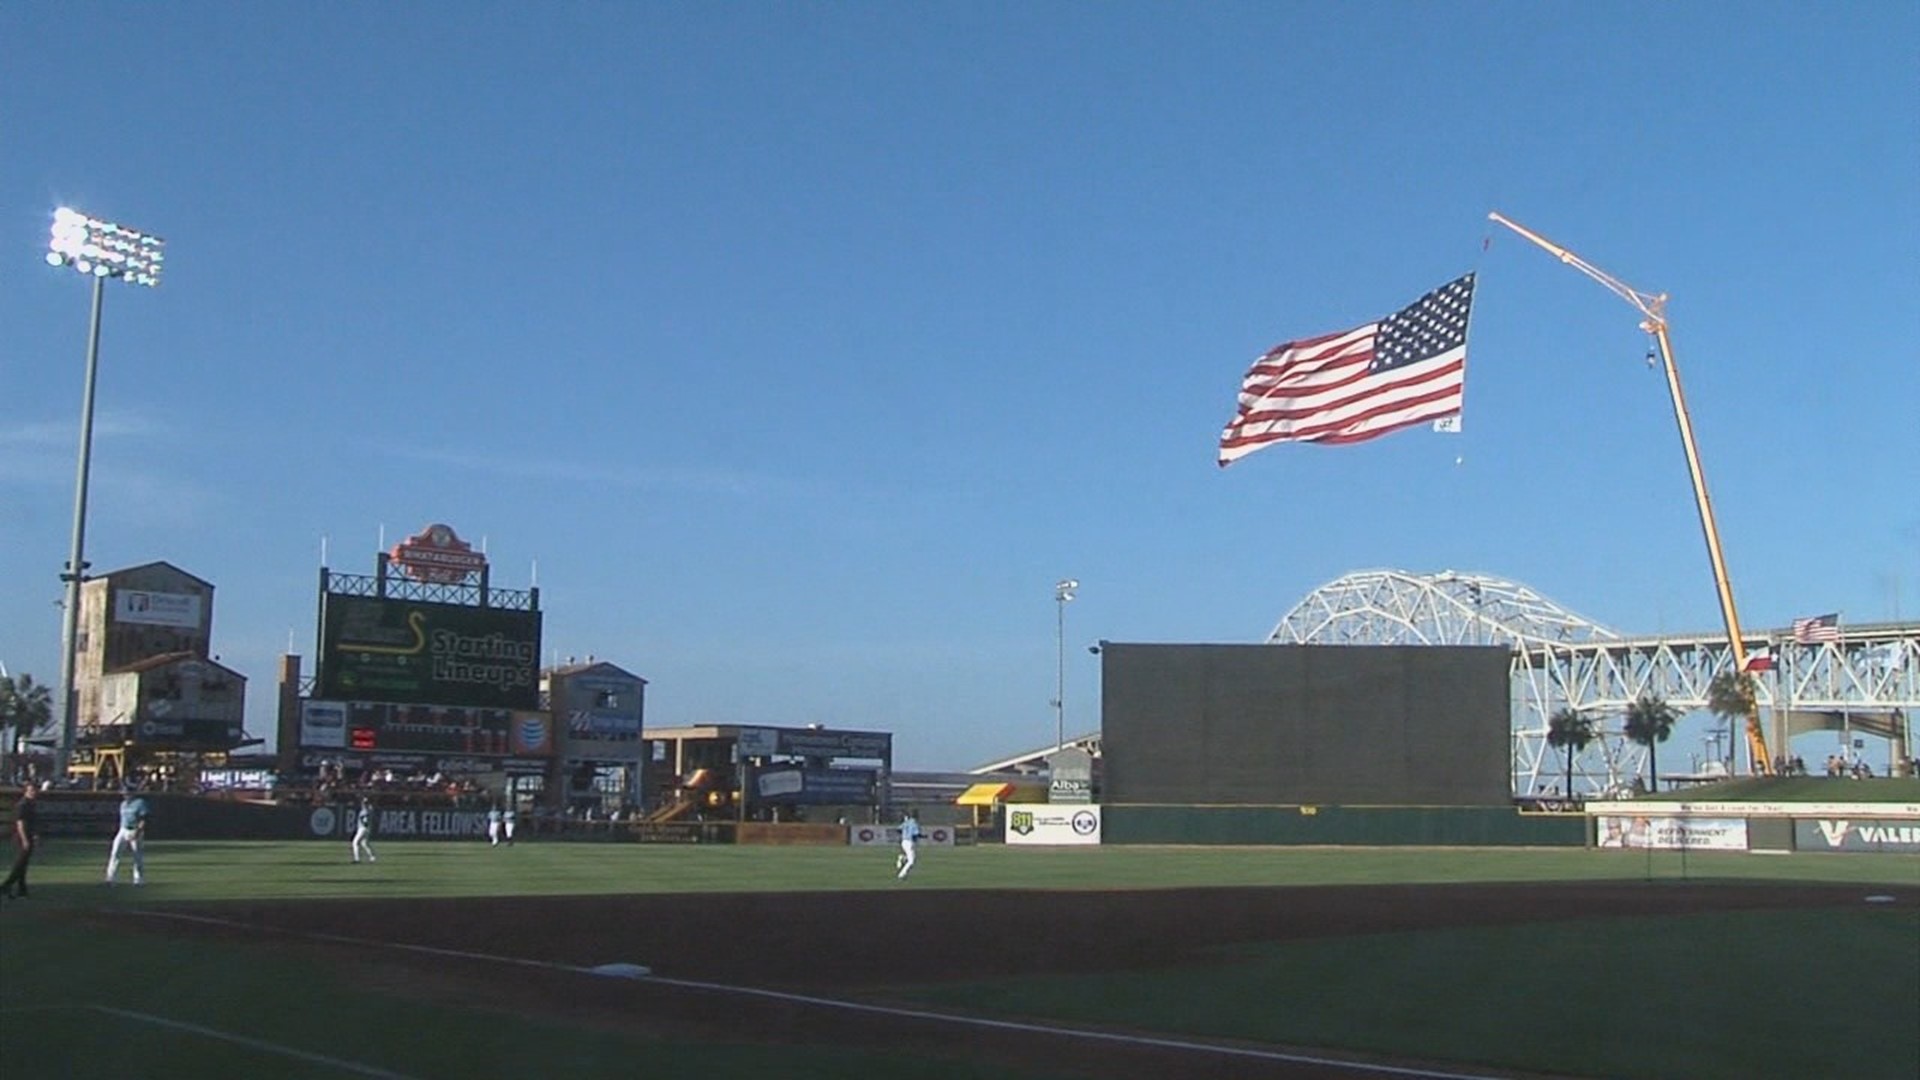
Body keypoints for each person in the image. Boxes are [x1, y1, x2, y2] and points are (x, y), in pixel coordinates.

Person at [1, 781, 41, 901]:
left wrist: (34, 835)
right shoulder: (23, 805)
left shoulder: (31, 804)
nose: (34, 792)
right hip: (21, 837)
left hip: (27, 836)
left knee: (23, 865)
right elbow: (20, 824)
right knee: (20, 864)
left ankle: (21, 890)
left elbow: (32, 822)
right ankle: (6, 886)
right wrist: (25, 840)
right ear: (26, 791)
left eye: (34, 790)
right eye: (31, 790)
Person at [105, 781, 149, 886]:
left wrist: (138, 831)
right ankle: (111, 878)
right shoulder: (123, 804)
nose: (125, 794)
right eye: (124, 793)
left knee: (137, 856)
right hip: (123, 830)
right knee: (115, 853)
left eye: (127, 792)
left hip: (135, 830)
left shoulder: (140, 803)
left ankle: (138, 880)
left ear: (132, 793)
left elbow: (143, 819)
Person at [895, 809, 922, 880]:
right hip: (909, 842)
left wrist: (904, 834)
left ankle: (902, 857)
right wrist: (922, 836)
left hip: (903, 842)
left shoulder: (907, 822)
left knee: (909, 856)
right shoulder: (914, 823)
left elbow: (898, 829)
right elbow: (915, 834)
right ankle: (902, 874)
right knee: (911, 861)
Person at [350, 798, 377, 864]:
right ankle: (372, 857)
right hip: (367, 829)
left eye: (364, 803)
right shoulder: (369, 810)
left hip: (363, 828)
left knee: (355, 843)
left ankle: (357, 859)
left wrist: (365, 825)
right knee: (364, 843)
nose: (363, 804)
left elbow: (365, 820)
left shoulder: (365, 811)